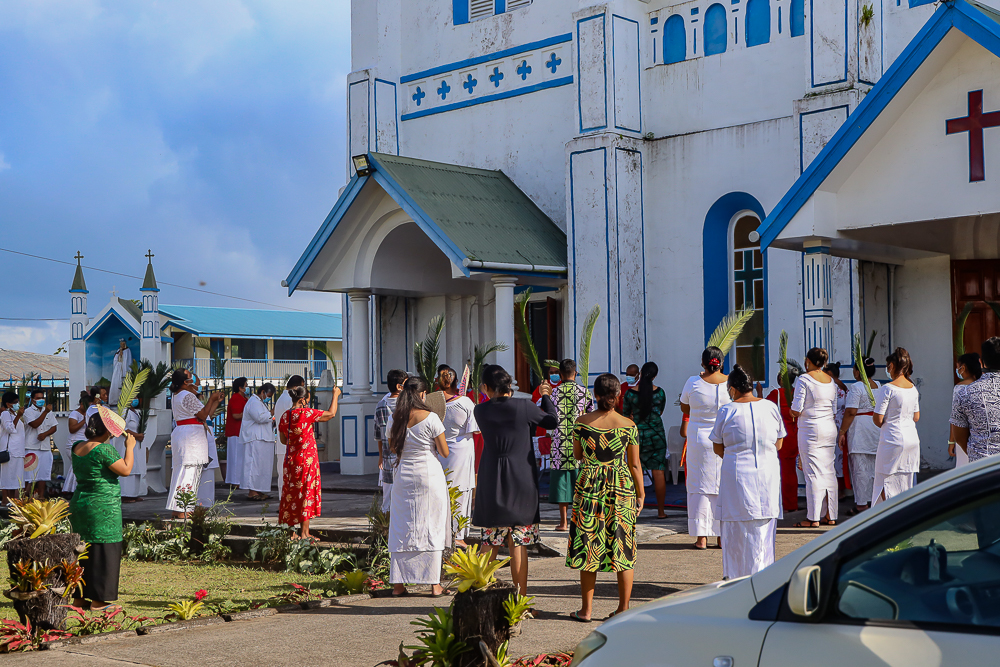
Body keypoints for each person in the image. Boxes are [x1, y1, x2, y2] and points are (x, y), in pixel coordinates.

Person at [473, 365, 558, 597]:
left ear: (486, 387)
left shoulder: (479, 411)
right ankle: (520, 600)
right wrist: (546, 396)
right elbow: (552, 421)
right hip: (521, 475)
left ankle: (479, 595)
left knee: (490, 539)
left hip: (492, 476)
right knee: (518, 541)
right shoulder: (524, 406)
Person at [567, 373, 643, 622]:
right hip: (620, 487)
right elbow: (634, 465)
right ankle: (623, 608)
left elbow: (578, 456)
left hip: (589, 487)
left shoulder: (581, 423)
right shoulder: (628, 425)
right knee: (623, 545)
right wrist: (640, 494)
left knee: (588, 544)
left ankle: (586, 610)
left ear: (595, 395)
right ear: (618, 395)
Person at [711, 365, 785, 580]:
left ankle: (735, 578)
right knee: (763, 529)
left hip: (737, 474)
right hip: (767, 473)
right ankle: (764, 577)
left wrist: (737, 455)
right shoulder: (770, 407)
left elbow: (717, 446)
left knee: (736, 530)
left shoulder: (727, 410)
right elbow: (779, 443)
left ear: (732, 389)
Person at [386, 377, 450, 597]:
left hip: (403, 475)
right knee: (432, 524)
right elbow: (444, 452)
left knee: (402, 526)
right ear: (423, 395)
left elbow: (393, 449)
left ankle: (398, 584)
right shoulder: (431, 417)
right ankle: (434, 584)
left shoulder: (396, 418)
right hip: (429, 474)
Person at [70, 408, 134, 610]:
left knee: (83, 549)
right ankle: (99, 599)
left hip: (80, 504)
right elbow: (125, 470)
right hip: (102, 506)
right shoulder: (103, 450)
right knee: (104, 550)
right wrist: (129, 447)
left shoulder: (77, 447)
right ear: (107, 431)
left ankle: (79, 597)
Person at [679, 347, 730, 549]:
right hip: (723, 438)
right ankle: (721, 536)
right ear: (721, 363)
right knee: (722, 485)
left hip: (699, 437)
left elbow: (685, 407)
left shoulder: (693, 382)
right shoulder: (730, 382)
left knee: (699, 485)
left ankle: (701, 537)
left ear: (703, 363)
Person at [278, 384, 340, 539]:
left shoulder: (285, 416)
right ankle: (305, 533)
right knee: (306, 493)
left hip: (291, 460)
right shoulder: (306, 413)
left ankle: (291, 533)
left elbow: (284, 440)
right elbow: (331, 414)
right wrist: (336, 394)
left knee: (291, 494)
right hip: (306, 461)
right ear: (303, 400)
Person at [789, 347, 839, 528]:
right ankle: (831, 514)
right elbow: (834, 410)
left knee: (812, 474)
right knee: (829, 471)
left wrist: (790, 412)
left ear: (808, 361)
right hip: (829, 428)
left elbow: (797, 408)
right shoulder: (831, 381)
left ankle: (813, 517)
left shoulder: (804, 379)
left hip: (811, 429)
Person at [167, 368, 222, 518]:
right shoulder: (187, 395)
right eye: (191, 378)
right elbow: (203, 415)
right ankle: (182, 509)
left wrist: (213, 402)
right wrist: (211, 399)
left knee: (183, 472)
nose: (195, 382)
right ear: (185, 382)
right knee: (189, 472)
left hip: (184, 433)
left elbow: (202, 415)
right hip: (190, 436)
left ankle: (179, 508)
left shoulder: (177, 395)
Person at [549, 359, 595, 532]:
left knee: (562, 482)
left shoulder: (553, 394)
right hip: (579, 442)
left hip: (559, 443)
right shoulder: (584, 393)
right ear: (575, 373)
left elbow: (546, 415)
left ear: (560, 374)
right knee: (580, 481)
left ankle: (563, 522)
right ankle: (581, 520)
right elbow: (591, 417)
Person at [436, 365, 479, 547]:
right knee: (461, 492)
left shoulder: (433, 403)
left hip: (440, 450)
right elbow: (475, 430)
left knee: (443, 492)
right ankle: (458, 535)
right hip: (461, 452)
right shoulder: (466, 403)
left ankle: (444, 532)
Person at [872, 348, 920, 505]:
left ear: (891, 366)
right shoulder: (913, 388)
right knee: (906, 481)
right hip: (912, 439)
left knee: (885, 480)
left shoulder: (888, 388)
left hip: (891, 439)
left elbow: (877, 419)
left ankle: (889, 514)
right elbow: (916, 417)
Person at [622, 361, 669, 518]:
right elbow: (660, 412)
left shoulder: (629, 394)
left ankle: (635, 509)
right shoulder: (660, 393)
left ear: (640, 373)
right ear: (655, 376)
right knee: (659, 472)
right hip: (657, 436)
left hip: (637, 436)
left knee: (636, 471)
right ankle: (661, 511)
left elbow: (625, 415)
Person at [837, 357, 881, 515]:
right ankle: (876, 501)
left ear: (858, 371)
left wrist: (842, 432)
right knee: (875, 468)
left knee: (860, 469)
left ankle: (862, 504)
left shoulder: (857, 387)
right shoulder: (878, 385)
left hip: (860, 430)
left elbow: (850, 411)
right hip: (875, 428)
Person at [762, 360, 802, 512]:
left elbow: (764, 409)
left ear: (780, 380)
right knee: (791, 471)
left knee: (783, 472)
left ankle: (785, 504)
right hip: (795, 435)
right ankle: (791, 502)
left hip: (781, 437)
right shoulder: (797, 393)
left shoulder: (776, 393)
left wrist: (759, 393)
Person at [952, 338, 1000, 462]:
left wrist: (976, 454)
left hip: (981, 468)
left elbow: (959, 436)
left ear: (981, 362)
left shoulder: (964, 392)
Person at [375, 370, 407, 512]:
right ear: (400, 386)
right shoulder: (407, 407)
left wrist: (381, 455)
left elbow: (378, 435)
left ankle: (385, 525)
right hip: (405, 456)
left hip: (387, 456)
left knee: (387, 496)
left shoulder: (380, 405)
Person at [241, 383, 276, 500]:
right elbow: (260, 418)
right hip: (255, 438)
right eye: (268, 395)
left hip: (263, 438)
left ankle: (259, 489)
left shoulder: (260, 403)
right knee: (254, 465)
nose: (268, 398)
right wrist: (273, 412)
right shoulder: (253, 402)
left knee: (262, 466)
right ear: (262, 392)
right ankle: (252, 491)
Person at [273, 375, 304, 503]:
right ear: (296, 387)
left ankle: (284, 500)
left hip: (283, 442)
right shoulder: (290, 400)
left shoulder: (282, 398)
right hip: (289, 442)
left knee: (283, 474)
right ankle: (287, 501)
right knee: (289, 475)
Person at [949, 352, 982, 466]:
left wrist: (951, 441)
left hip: (964, 437)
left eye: (958, 367)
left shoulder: (959, 388)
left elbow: (956, 419)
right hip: (980, 438)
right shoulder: (983, 386)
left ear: (963, 368)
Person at [23, 389, 58, 499]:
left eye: (42, 398)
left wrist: (45, 434)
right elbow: (34, 424)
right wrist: (45, 412)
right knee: (29, 475)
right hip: (31, 447)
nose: (41, 400)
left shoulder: (48, 412)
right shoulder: (28, 412)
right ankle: (26, 497)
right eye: (38, 398)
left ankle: (41, 497)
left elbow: (54, 427)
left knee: (43, 474)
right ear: (32, 400)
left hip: (45, 447)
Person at [824, 362, 850, 496]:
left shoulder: (833, 388)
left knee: (836, 457)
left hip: (836, 426)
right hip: (837, 425)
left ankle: (839, 490)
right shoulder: (842, 388)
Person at [61, 391, 90, 495]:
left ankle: (73, 489)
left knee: (79, 467)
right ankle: (71, 490)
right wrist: (84, 420)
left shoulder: (88, 414)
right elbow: (72, 429)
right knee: (77, 466)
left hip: (85, 444)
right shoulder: (74, 414)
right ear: (82, 404)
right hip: (74, 444)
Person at [116, 398, 145, 502]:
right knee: (128, 467)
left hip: (136, 443)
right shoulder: (125, 411)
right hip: (127, 442)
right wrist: (136, 435)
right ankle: (125, 495)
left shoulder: (135, 412)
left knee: (136, 467)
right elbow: (122, 428)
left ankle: (134, 493)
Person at [0, 391, 26, 503]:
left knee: (15, 479)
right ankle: (6, 502)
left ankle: (12, 502)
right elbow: (10, 428)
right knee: (8, 478)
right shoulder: (5, 414)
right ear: (8, 404)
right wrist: (19, 415)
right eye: (15, 402)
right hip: (10, 451)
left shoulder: (14, 415)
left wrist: (18, 416)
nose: (17, 404)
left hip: (18, 451)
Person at [224, 377, 249, 488]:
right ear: (240, 388)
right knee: (236, 458)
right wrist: (249, 414)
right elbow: (236, 415)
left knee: (240, 458)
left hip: (241, 432)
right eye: (246, 385)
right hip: (235, 432)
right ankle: (235, 481)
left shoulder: (244, 399)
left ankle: (238, 480)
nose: (247, 387)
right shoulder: (236, 398)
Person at [108, 339, 132, 406]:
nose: (122, 345)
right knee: (116, 384)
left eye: (123, 343)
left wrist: (125, 371)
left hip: (124, 370)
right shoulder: (118, 350)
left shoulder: (127, 350)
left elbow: (128, 361)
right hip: (118, 369)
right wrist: (120, 355)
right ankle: (114, 400)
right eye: (121, 343)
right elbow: (115, 359)